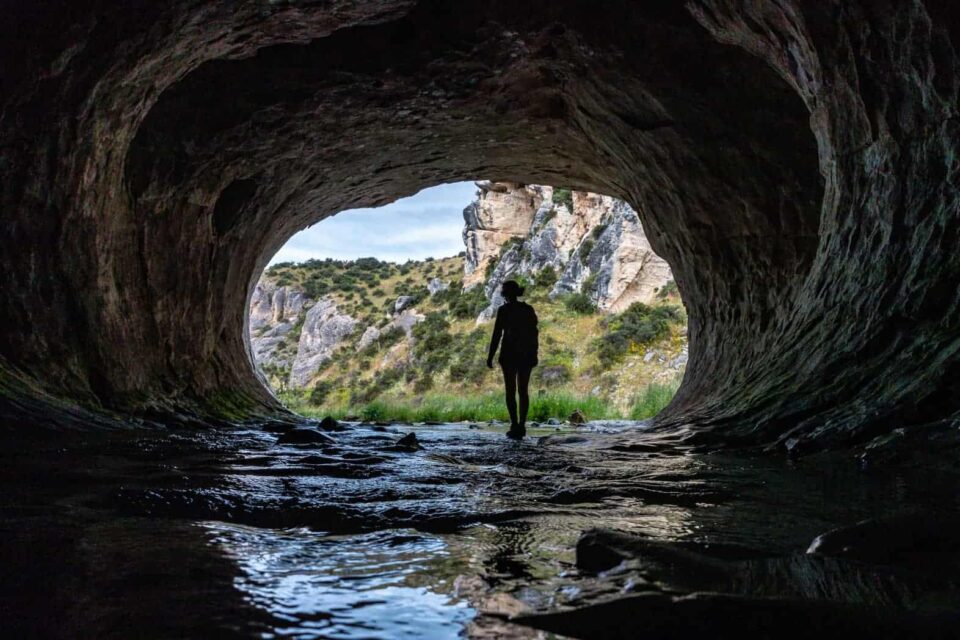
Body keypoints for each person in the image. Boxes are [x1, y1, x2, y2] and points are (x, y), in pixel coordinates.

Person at [487, 280, 538, 439]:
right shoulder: (527, 309)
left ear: (505, 293)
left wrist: (490, 356)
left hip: (508, 354)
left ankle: (514, 424)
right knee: (523, 390)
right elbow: (534, 333)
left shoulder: (504, 310)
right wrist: (534, 353)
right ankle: (521, 425)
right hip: (526, 354)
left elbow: (497, 334)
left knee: (511, 391)